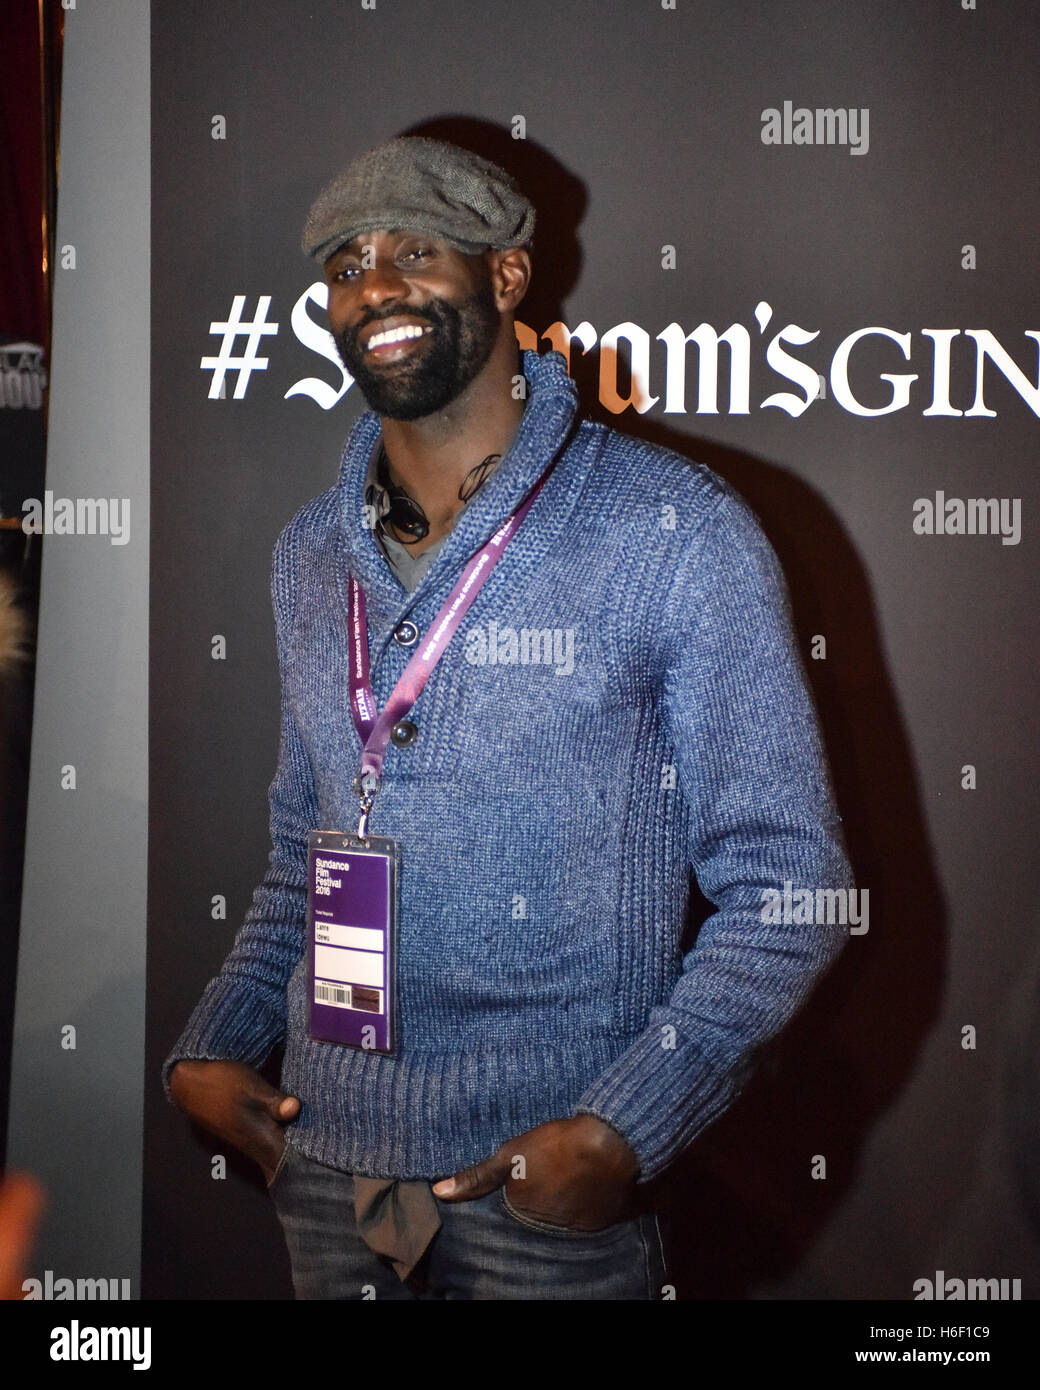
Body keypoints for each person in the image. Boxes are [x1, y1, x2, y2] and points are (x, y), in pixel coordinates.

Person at [165, 135, 853, 1301]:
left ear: (507, 277)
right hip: (324, 1171)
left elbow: (791, 890)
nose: (372, 285)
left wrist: (625, 1126)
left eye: (414, 252)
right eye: (344, 265)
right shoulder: (305, 555)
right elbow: (306, 850)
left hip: (541, 1195)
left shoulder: (670, 530)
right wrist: (211, 1040)